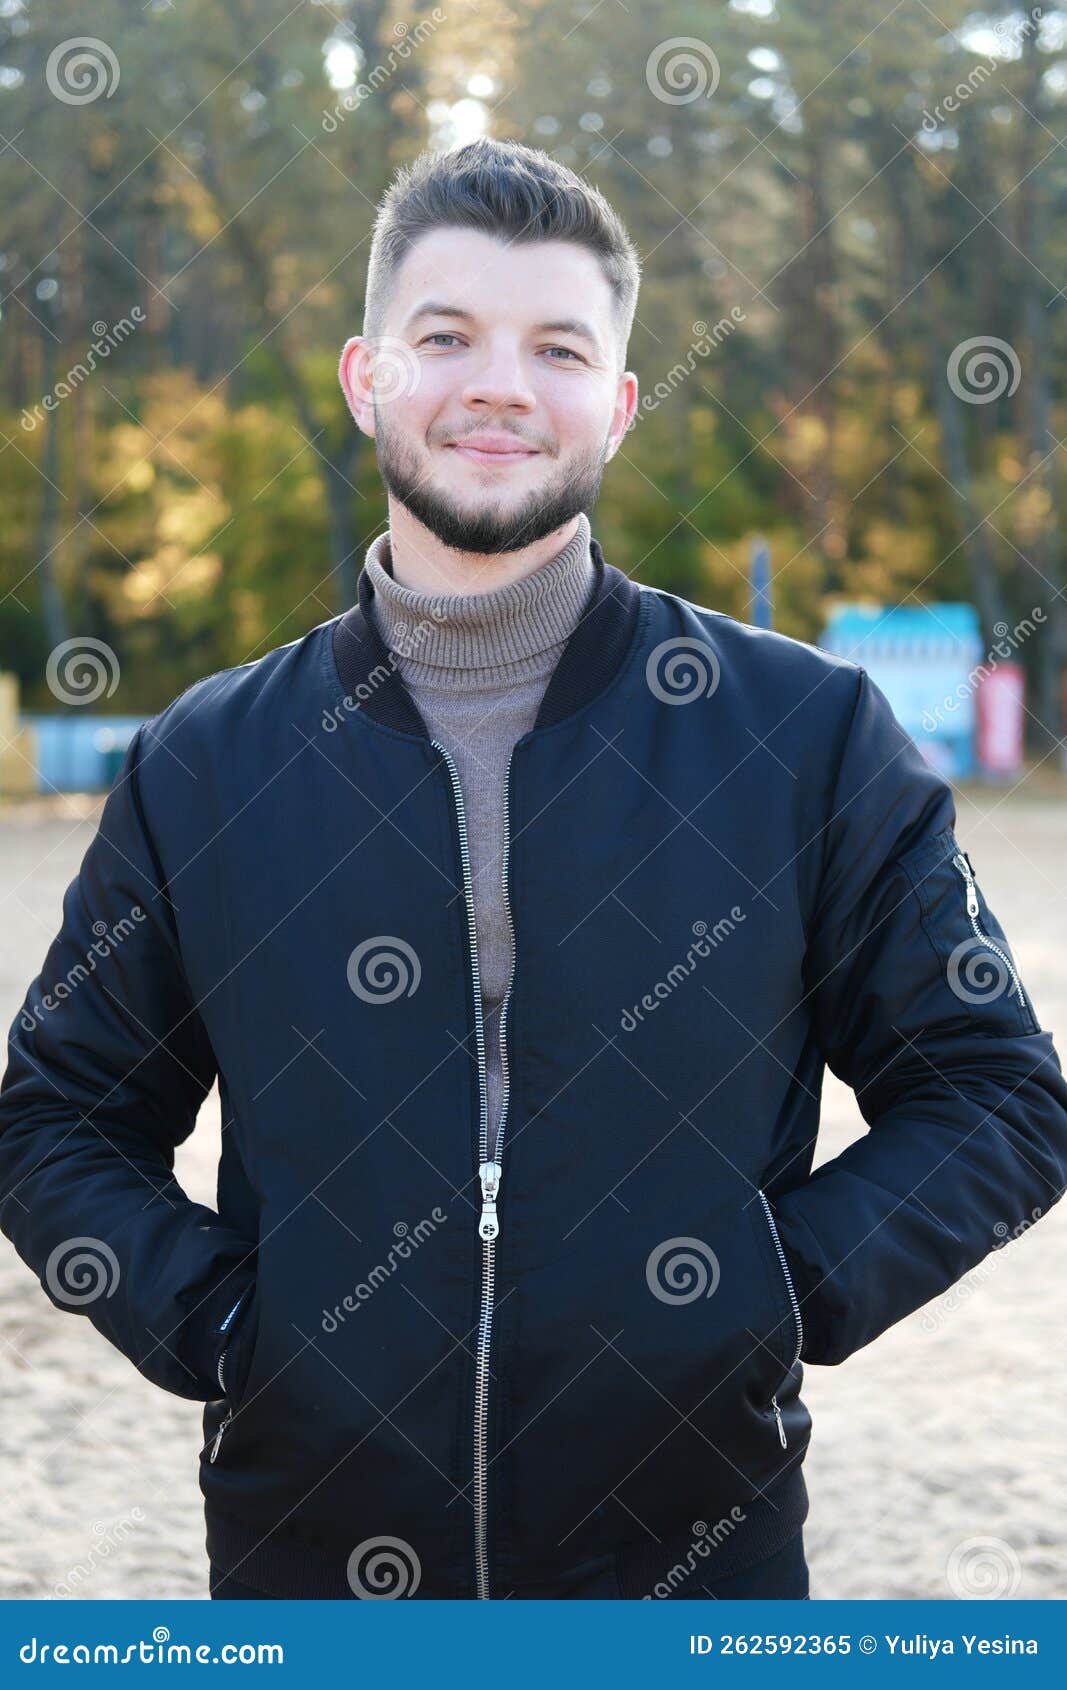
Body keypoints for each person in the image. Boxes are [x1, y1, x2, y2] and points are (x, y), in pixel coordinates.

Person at [1, 137, 1065, 1604]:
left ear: (617, 405)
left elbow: (998, 1095)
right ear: (365, 377)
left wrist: (767, 1296)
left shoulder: (805, 736)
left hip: (693, 1565)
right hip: (311, 1572)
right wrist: (235, 1330)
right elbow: (56, 1118)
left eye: (557, 348)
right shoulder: (209, 761)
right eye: (446, 336)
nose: (500, 385)